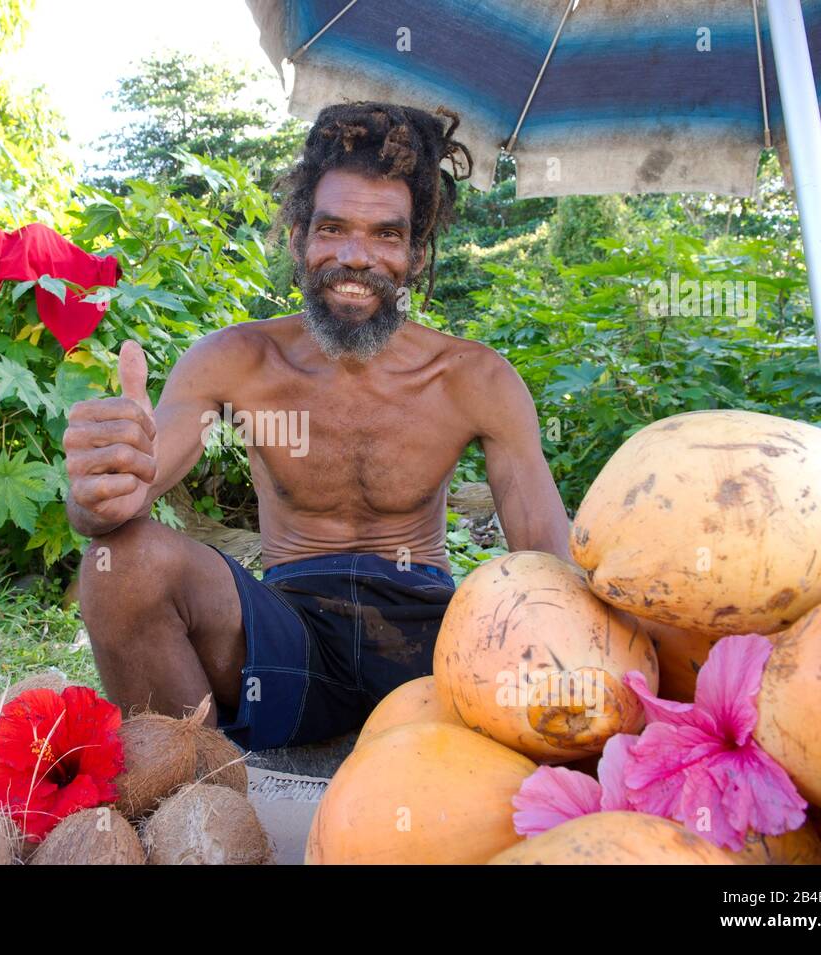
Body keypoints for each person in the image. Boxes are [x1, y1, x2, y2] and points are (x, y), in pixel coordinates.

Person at [62, 102, 572, 751]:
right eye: (333, 228)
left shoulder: (476, 379)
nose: (356, 257)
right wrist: (99, 487)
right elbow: (119, 500)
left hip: (430, 645)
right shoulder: (236, 360)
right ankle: (196, 788)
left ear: (416, 254)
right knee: (118, 562)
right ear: (301, 237)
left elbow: (550, 564)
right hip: (289, 639)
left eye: (386, 235)